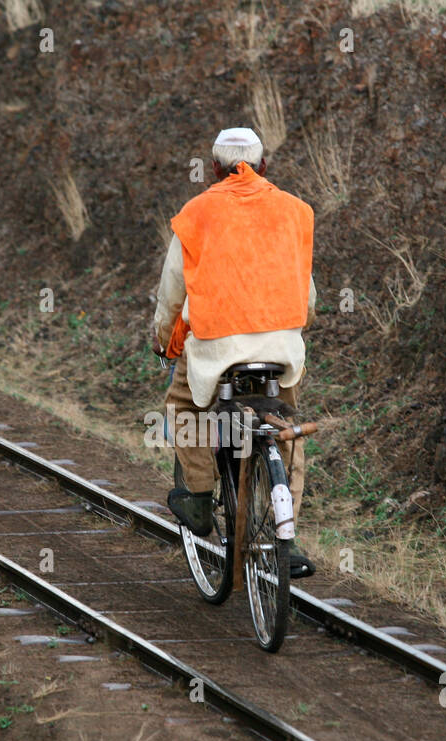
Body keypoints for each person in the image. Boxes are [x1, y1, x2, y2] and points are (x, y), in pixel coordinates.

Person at [153, 127, 317, 578]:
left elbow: (172, 294)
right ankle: (289, 536)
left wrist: (163, 340)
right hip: (279, 350)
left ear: (213, 169)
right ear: (264, 167)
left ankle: (200, 499)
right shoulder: (295, 212)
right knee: (286, 428)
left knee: (186, 408)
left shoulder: (196, 212)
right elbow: (307, 293)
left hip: (215, 349)